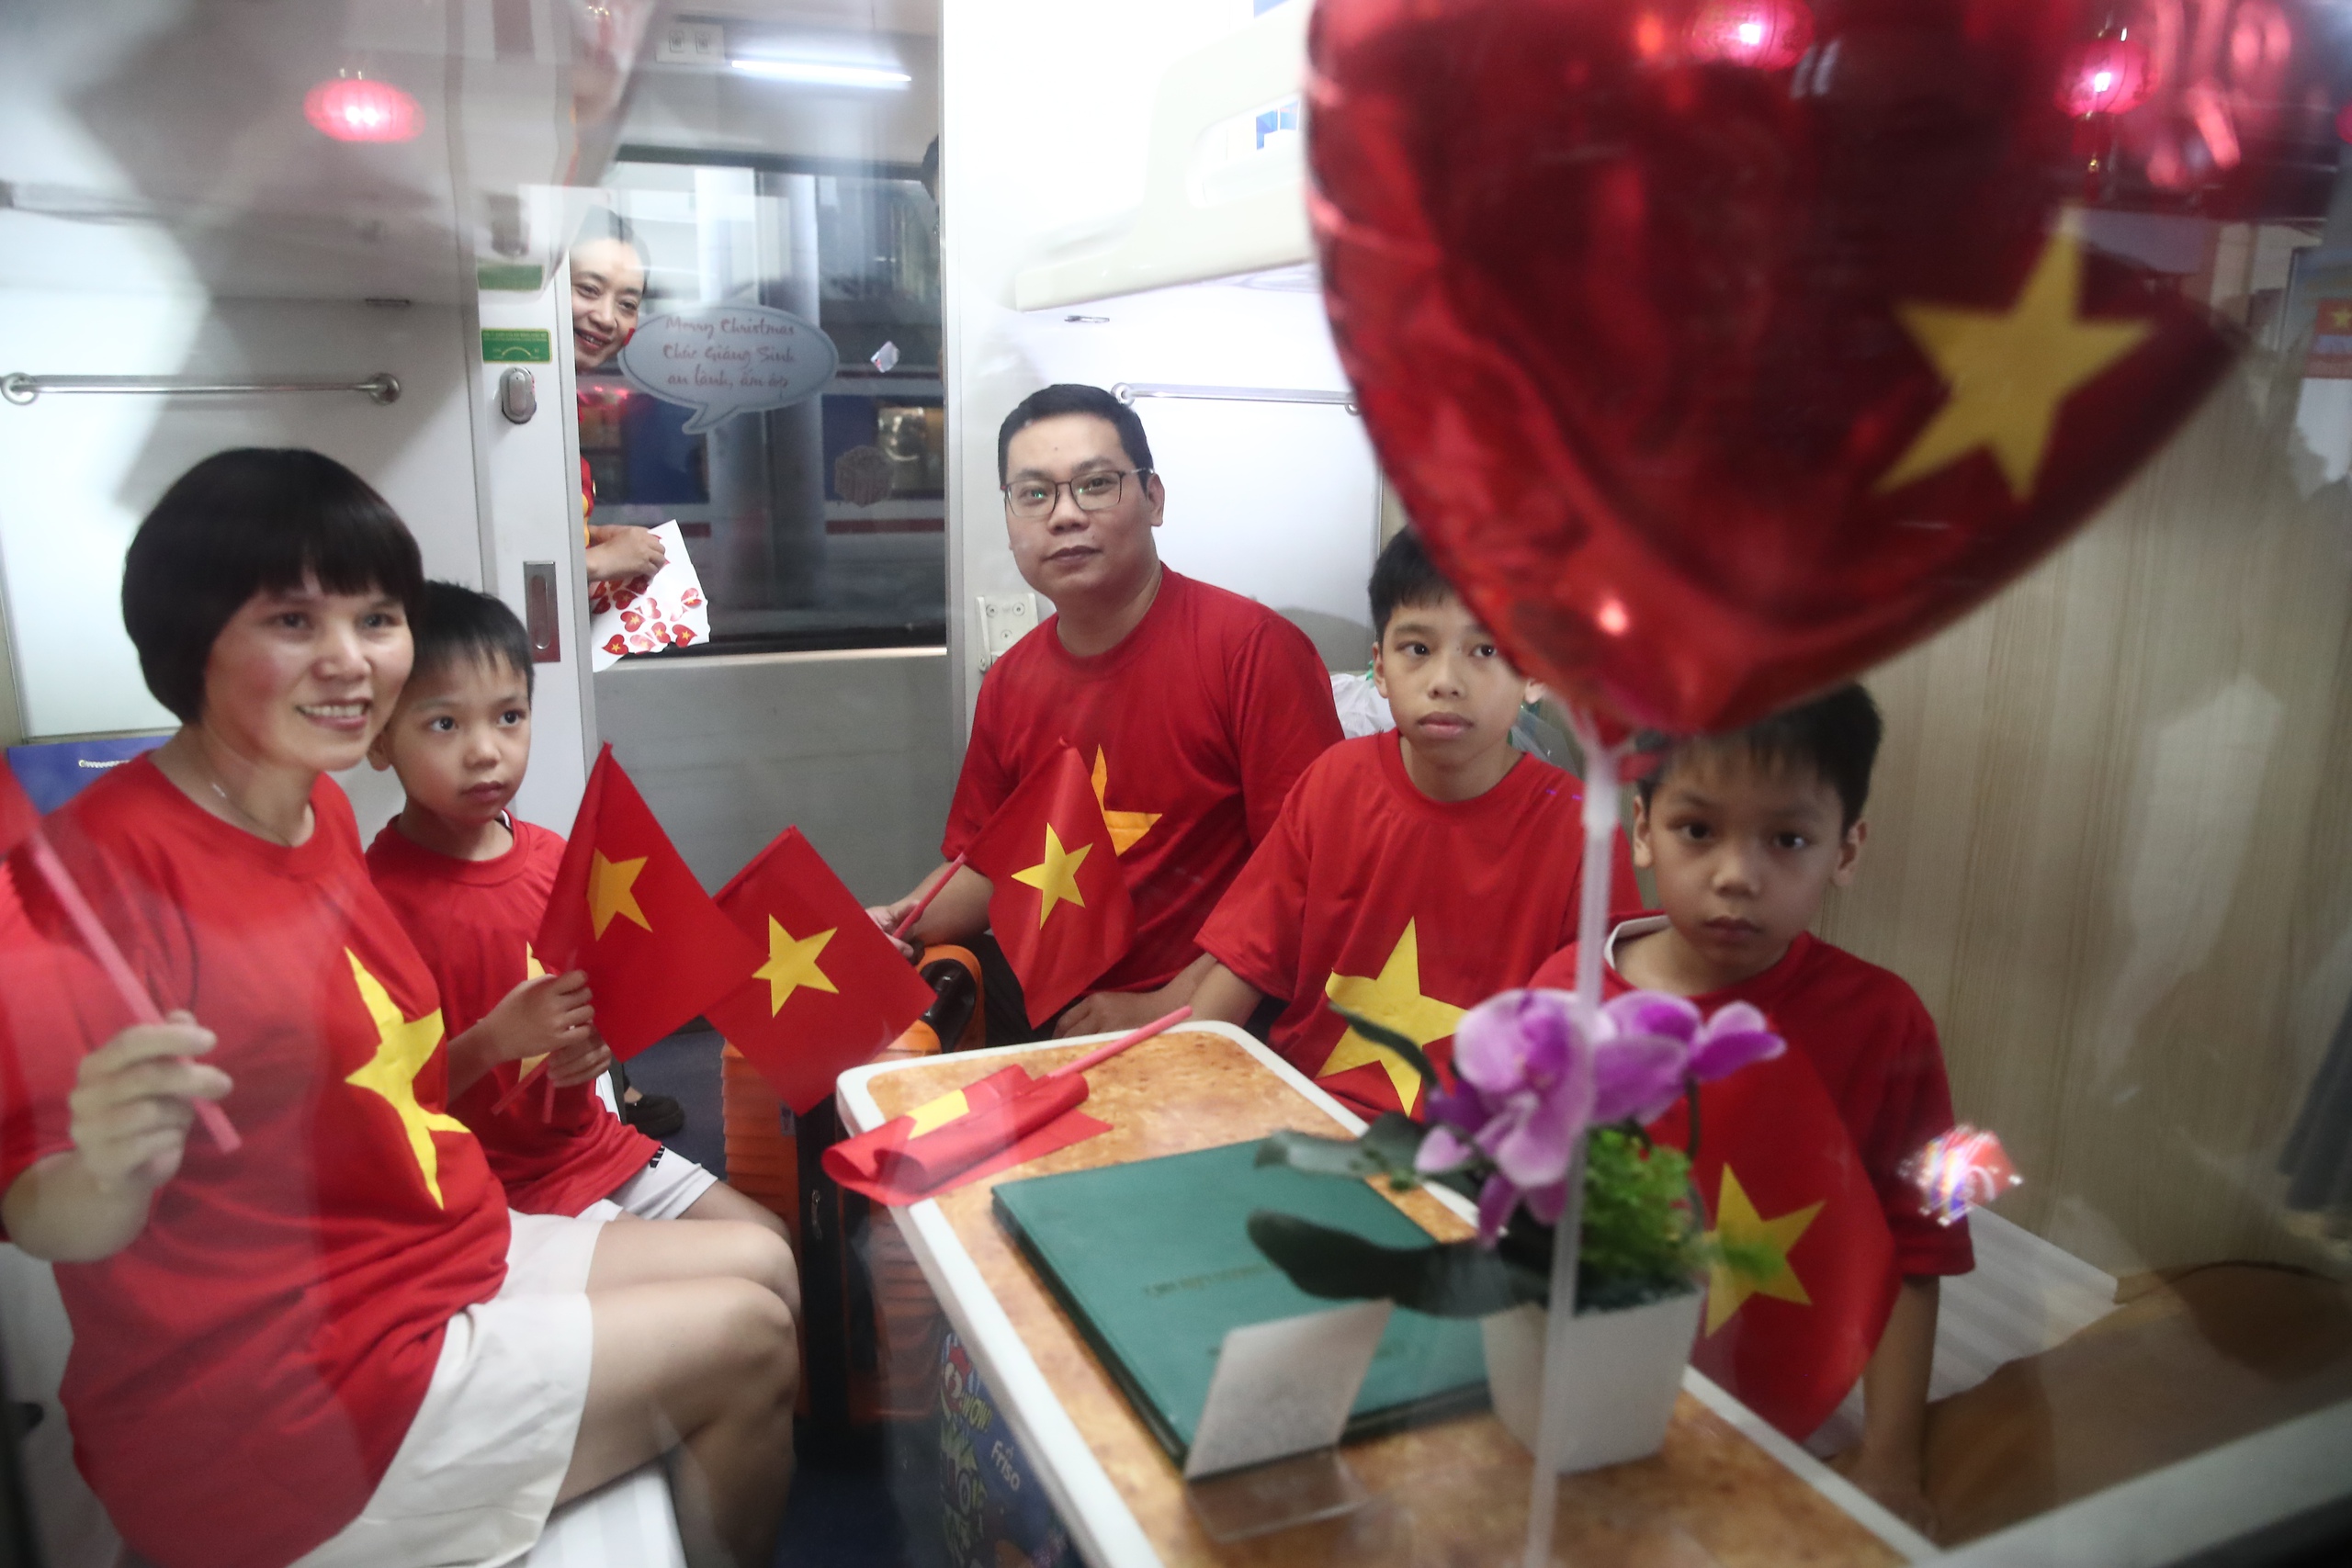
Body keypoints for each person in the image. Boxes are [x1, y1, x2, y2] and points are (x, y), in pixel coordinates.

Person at [0, 449, 797, 1568]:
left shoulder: (317, 812)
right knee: (754, 1336)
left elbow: (388, 1082)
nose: (350, 661)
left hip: (423, 1254)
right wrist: (105, 1166)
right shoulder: (89, 878)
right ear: (190, 638)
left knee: (764, 1264)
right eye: (290, 619)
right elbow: (40, 1209)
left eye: (377, 617)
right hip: (277, 1402)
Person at [1526, 683, 1970, 1532]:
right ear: (1643, 827)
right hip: (1592, 1413)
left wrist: (1889, 1461)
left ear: (1846, 848)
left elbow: (1922, 1241)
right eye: (1699, 829)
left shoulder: (1885, 1021)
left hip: (1786, 1428)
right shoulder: (1567, 988)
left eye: (1788, 838)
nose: (1737, 873)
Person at [867, 384, 1342, 1040]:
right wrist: (901, 920)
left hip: (1222, 1013)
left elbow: (1307, 880)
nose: (1064, 515)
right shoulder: (1012, 681)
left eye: (1095, 484)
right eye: (1034, 494)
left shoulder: (1252, 650)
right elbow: (988, 866)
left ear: (1154, 499)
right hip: (1063, 996)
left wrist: (1167, 1008)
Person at [363, 581, 790, 1236]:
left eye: (509, 717)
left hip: (588, 1145)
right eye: (445, 723)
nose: (485, 750)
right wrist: (493, 1043)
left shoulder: (556, 859)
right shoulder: (375, 902)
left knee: (774, 1237)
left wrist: (597, 1048)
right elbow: (380, 1114)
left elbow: (597, 1004)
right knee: (734, 1288)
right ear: (379, 738)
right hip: (481, 1186)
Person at [1190, 530, 1639, 1120]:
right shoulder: (1334, 782)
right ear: (1379, 667)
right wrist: (1179, 1097)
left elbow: (1601, 1053)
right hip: (1303, 1122)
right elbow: (1240, 969)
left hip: (1476, 1156)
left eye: (1484, 651)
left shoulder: (1581, 829)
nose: (1445, 680)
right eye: (1417, 649)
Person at [571, 207, 668, 587]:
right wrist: (599, 563)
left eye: (627, 305)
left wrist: (588, 538)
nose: (607, 318)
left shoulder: (556, 407)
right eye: (589, 290)